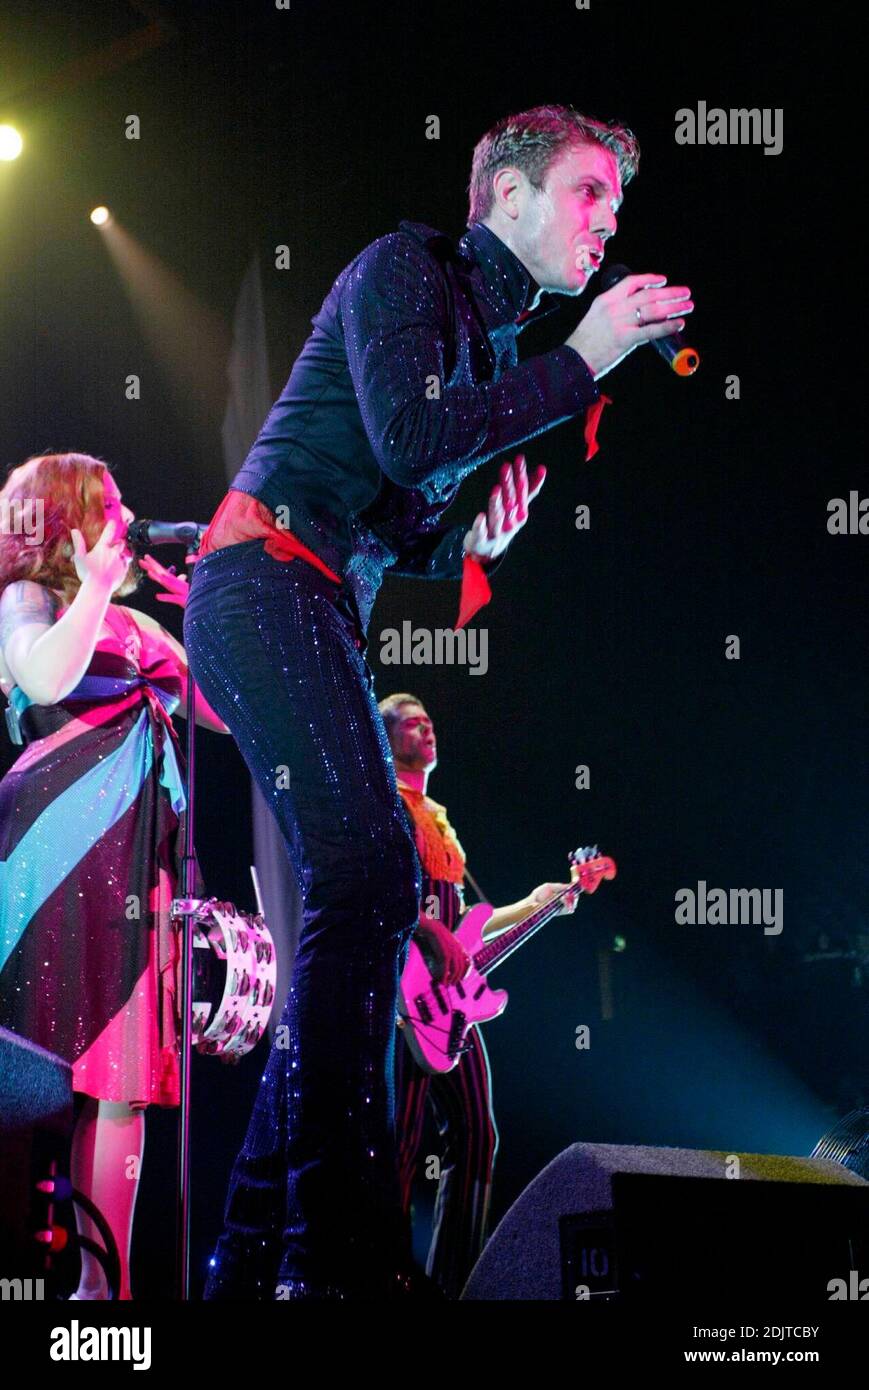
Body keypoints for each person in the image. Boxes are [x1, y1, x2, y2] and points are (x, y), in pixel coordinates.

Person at [182, 102, 693, 1300]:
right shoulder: (405, 270)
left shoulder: (480, 338)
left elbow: (401, 508)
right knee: (371, 873)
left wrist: (475, 539)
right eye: (585, 192)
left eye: (614, 205)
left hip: (307, 595)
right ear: (505, 195)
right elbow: (411, 440)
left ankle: (256, 1250)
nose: (606, 221)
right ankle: (337, 1242)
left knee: (376, 881)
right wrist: (589, 358)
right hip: (257, 581)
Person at [0, 451, 227, 1300]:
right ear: (63, 518)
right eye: (110, 503)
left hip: (140, 858)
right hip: (56, 857)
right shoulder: (31, 600)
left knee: (119, 1083)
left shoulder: (142, 628)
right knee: (36, 1075)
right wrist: (94, 588)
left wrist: (202, 608)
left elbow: (219, 713)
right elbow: (43, 674)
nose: (127, 518)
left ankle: (108, 1295)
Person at [380, 692, 577, 1298]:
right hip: (405, 998)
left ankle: (454, 1280)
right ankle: (384, 1276)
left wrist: (536, 903)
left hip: (453, 1005)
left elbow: (465, 919)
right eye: (413, 723)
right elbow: (386, 897)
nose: (428, 728)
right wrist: (423, 934)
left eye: (430, 720)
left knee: (478, 1135)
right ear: (387, 738)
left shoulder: (436, 814)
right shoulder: (385, 804)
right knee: (403, 1142)